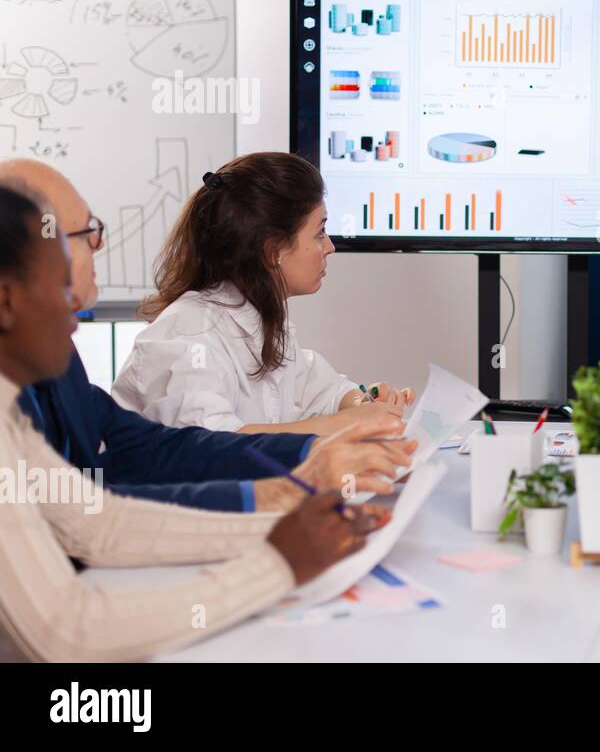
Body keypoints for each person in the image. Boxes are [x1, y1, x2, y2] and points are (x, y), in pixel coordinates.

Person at [0, 183, 386, 662]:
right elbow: (68, 631)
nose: (77, 315)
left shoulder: (12, 410)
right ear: (6, 301)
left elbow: (97, 523)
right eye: (61, 288)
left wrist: (290, 522)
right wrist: (278, 563)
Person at [0, 160, 414, 512]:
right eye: (320, 232)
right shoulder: (189, 332)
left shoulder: (59, 362)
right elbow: (202, 450)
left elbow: (307, 383)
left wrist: (354, 404)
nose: (100, 245)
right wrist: (331, 438)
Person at [113, 152, 414, 433]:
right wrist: (346, 422)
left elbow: (317, 390)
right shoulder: (190, 335)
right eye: (320, 232)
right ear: (273, 251)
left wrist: (360, 403)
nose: (329, 247)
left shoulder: (256, 317)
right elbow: (214, 448)